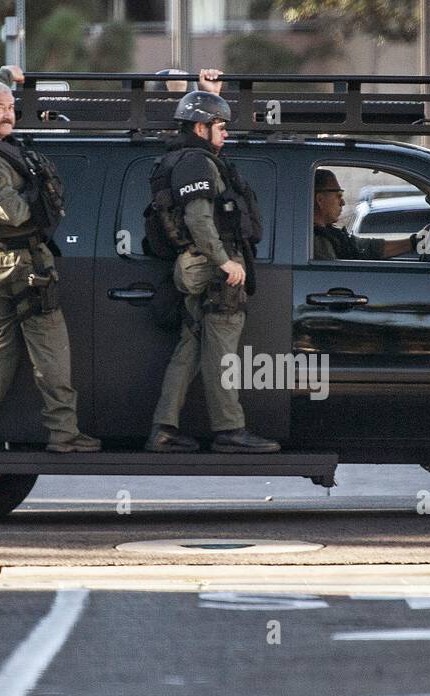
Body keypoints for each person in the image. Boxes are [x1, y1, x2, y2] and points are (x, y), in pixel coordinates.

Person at [0, 66, 101, 454]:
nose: (7, 114)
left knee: (1, 347)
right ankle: (64, 434)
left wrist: (3, 74)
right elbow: (13, 212)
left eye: (11, 108)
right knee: (50, 348)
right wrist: (40, 197)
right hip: (19, 266)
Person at [144, 73, 279, 454]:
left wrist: (210, 95)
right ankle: (230, 430)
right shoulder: (195, 163)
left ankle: (163, 429)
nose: (226, 133)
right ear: (201, 127)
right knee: (222, 349)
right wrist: (225, 263)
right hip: (210, 268)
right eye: (219, 126)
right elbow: (199, 220)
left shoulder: (189, 157)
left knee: (189, 349)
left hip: (195, 268)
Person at [312, 169, 430, 260]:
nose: (343, 202)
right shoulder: (317, 242)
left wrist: (416, 241)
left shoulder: (331, 235)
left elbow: (368, 248)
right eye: (338, 196)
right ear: (320, 200)